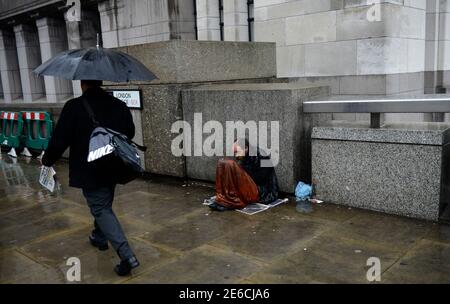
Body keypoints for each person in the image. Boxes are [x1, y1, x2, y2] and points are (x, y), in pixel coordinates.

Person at [42, 80, 139, 276]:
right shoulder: (118, 104)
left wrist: (47, 160)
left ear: (82, 84)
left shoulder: (74, 106)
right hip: (113, 164)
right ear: (100, 82)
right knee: (104, 202)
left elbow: (60, 140)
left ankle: (127, 255)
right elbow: (130, 132)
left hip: (90, 168)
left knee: (100, 207)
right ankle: (99, 236)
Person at [211, 138, 279, 211]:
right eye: (234, 153)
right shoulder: (244, 157)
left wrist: (241, 175)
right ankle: (222, 198)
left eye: (237, 152)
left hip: (261, 191)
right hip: (249, 187)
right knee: (221, 163)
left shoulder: (262, 156)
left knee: (230, 164)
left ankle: (229, 202)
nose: (236, 155)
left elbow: (261, 179)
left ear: (246, 148)